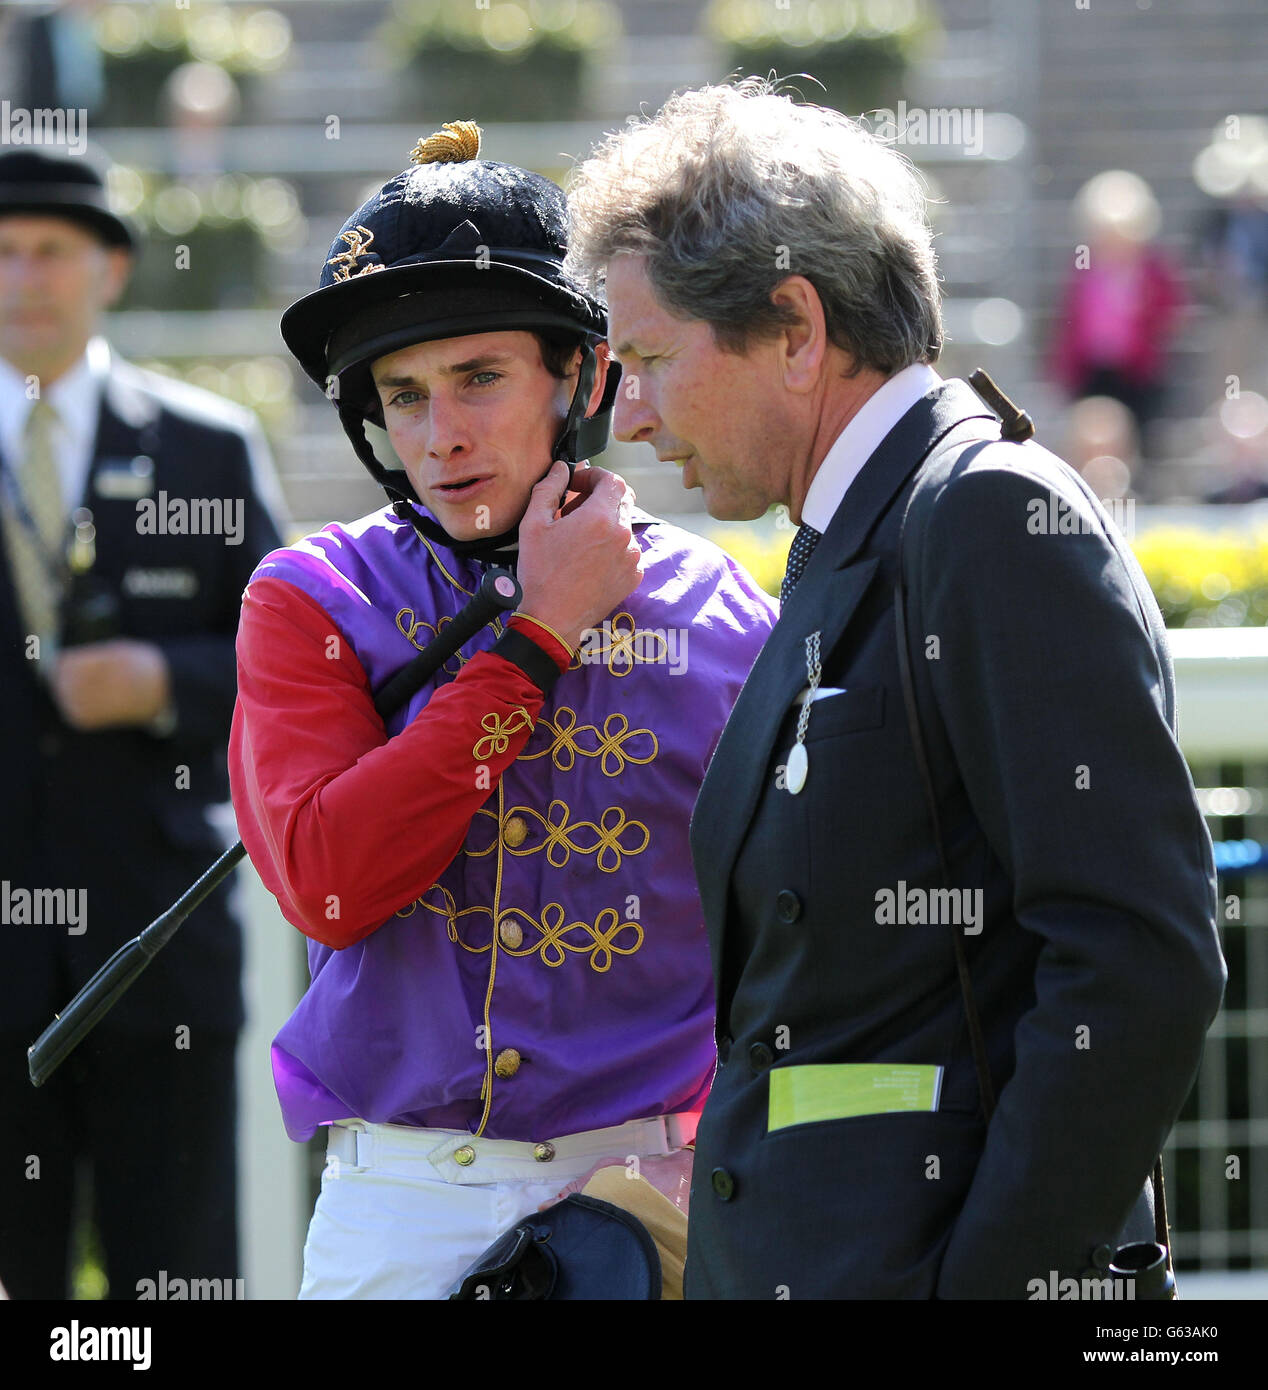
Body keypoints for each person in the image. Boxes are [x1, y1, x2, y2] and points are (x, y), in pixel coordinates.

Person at [565, 77, 1227, 1299]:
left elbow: (1137, 962)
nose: (634, 415)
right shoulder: (850, 533)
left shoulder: (985, 513)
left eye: (652, 359)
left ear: (796, 330)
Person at [227, 119, 777, 1300]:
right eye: (403, 394)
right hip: (404, 1211)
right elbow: (331, 881)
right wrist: (536, 640)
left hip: (658, 1202)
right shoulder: (308, 596)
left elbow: (791, 928)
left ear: (577, 375)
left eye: (479, 378)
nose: (441, 436)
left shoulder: (725, 609)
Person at [0, 147, 285, 1299]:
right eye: (3, 253)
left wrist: (162, 677)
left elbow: (296, 671)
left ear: (111, 269)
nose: (25, 277)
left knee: (175, 1281)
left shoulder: (206, 445)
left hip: (156, 946)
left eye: (52, 250)